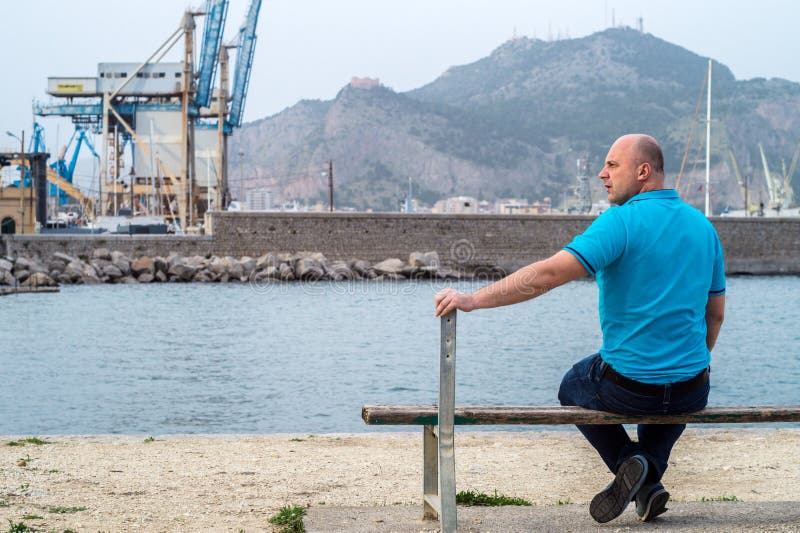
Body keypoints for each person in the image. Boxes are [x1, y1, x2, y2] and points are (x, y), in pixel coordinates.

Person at [433, 133, 725, 524]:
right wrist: (694, 365)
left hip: (630, 389)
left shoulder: (620, 222)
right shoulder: (704, 228)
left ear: (643, 171)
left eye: (612, 165)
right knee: (675, 390)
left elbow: (549, 274)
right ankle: (649, 480)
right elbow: (716, 315)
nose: (603, 174)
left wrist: (473, 299)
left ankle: (631, 463)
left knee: (574, 384)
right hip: (693, 388)